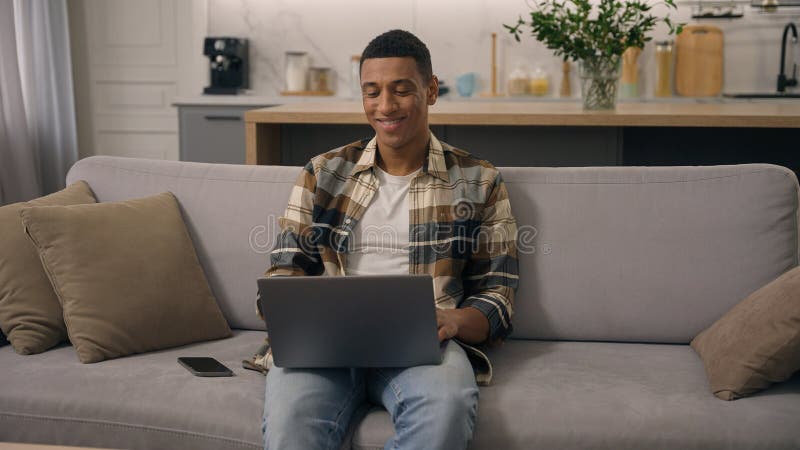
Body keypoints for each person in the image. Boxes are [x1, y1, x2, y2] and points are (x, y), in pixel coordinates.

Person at [258, 29, 519, 450]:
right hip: (325, 345)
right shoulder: (322, 172)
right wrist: (288, 313)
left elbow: (498, 296)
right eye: (372, 92)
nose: (385, 106)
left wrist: (453, 320)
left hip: (423, 347)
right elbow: (284, 268)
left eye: (401, 90)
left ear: (431, 90)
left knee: (446, 407)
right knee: (289, 422)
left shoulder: (479, 180)